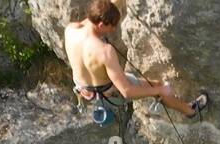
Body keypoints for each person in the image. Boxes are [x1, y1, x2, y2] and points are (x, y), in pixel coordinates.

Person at [64, 0, 208, 118]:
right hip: (110, 95)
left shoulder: (71, 29)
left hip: (85, 90)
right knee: (158, 88)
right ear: (101, 25)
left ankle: (165, 92)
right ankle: (191, 111)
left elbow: (98, 13)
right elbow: (127, 91)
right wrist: (159, 90)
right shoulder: (105, 51)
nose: (113, 29)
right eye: (112, 26)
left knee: (155, 84)